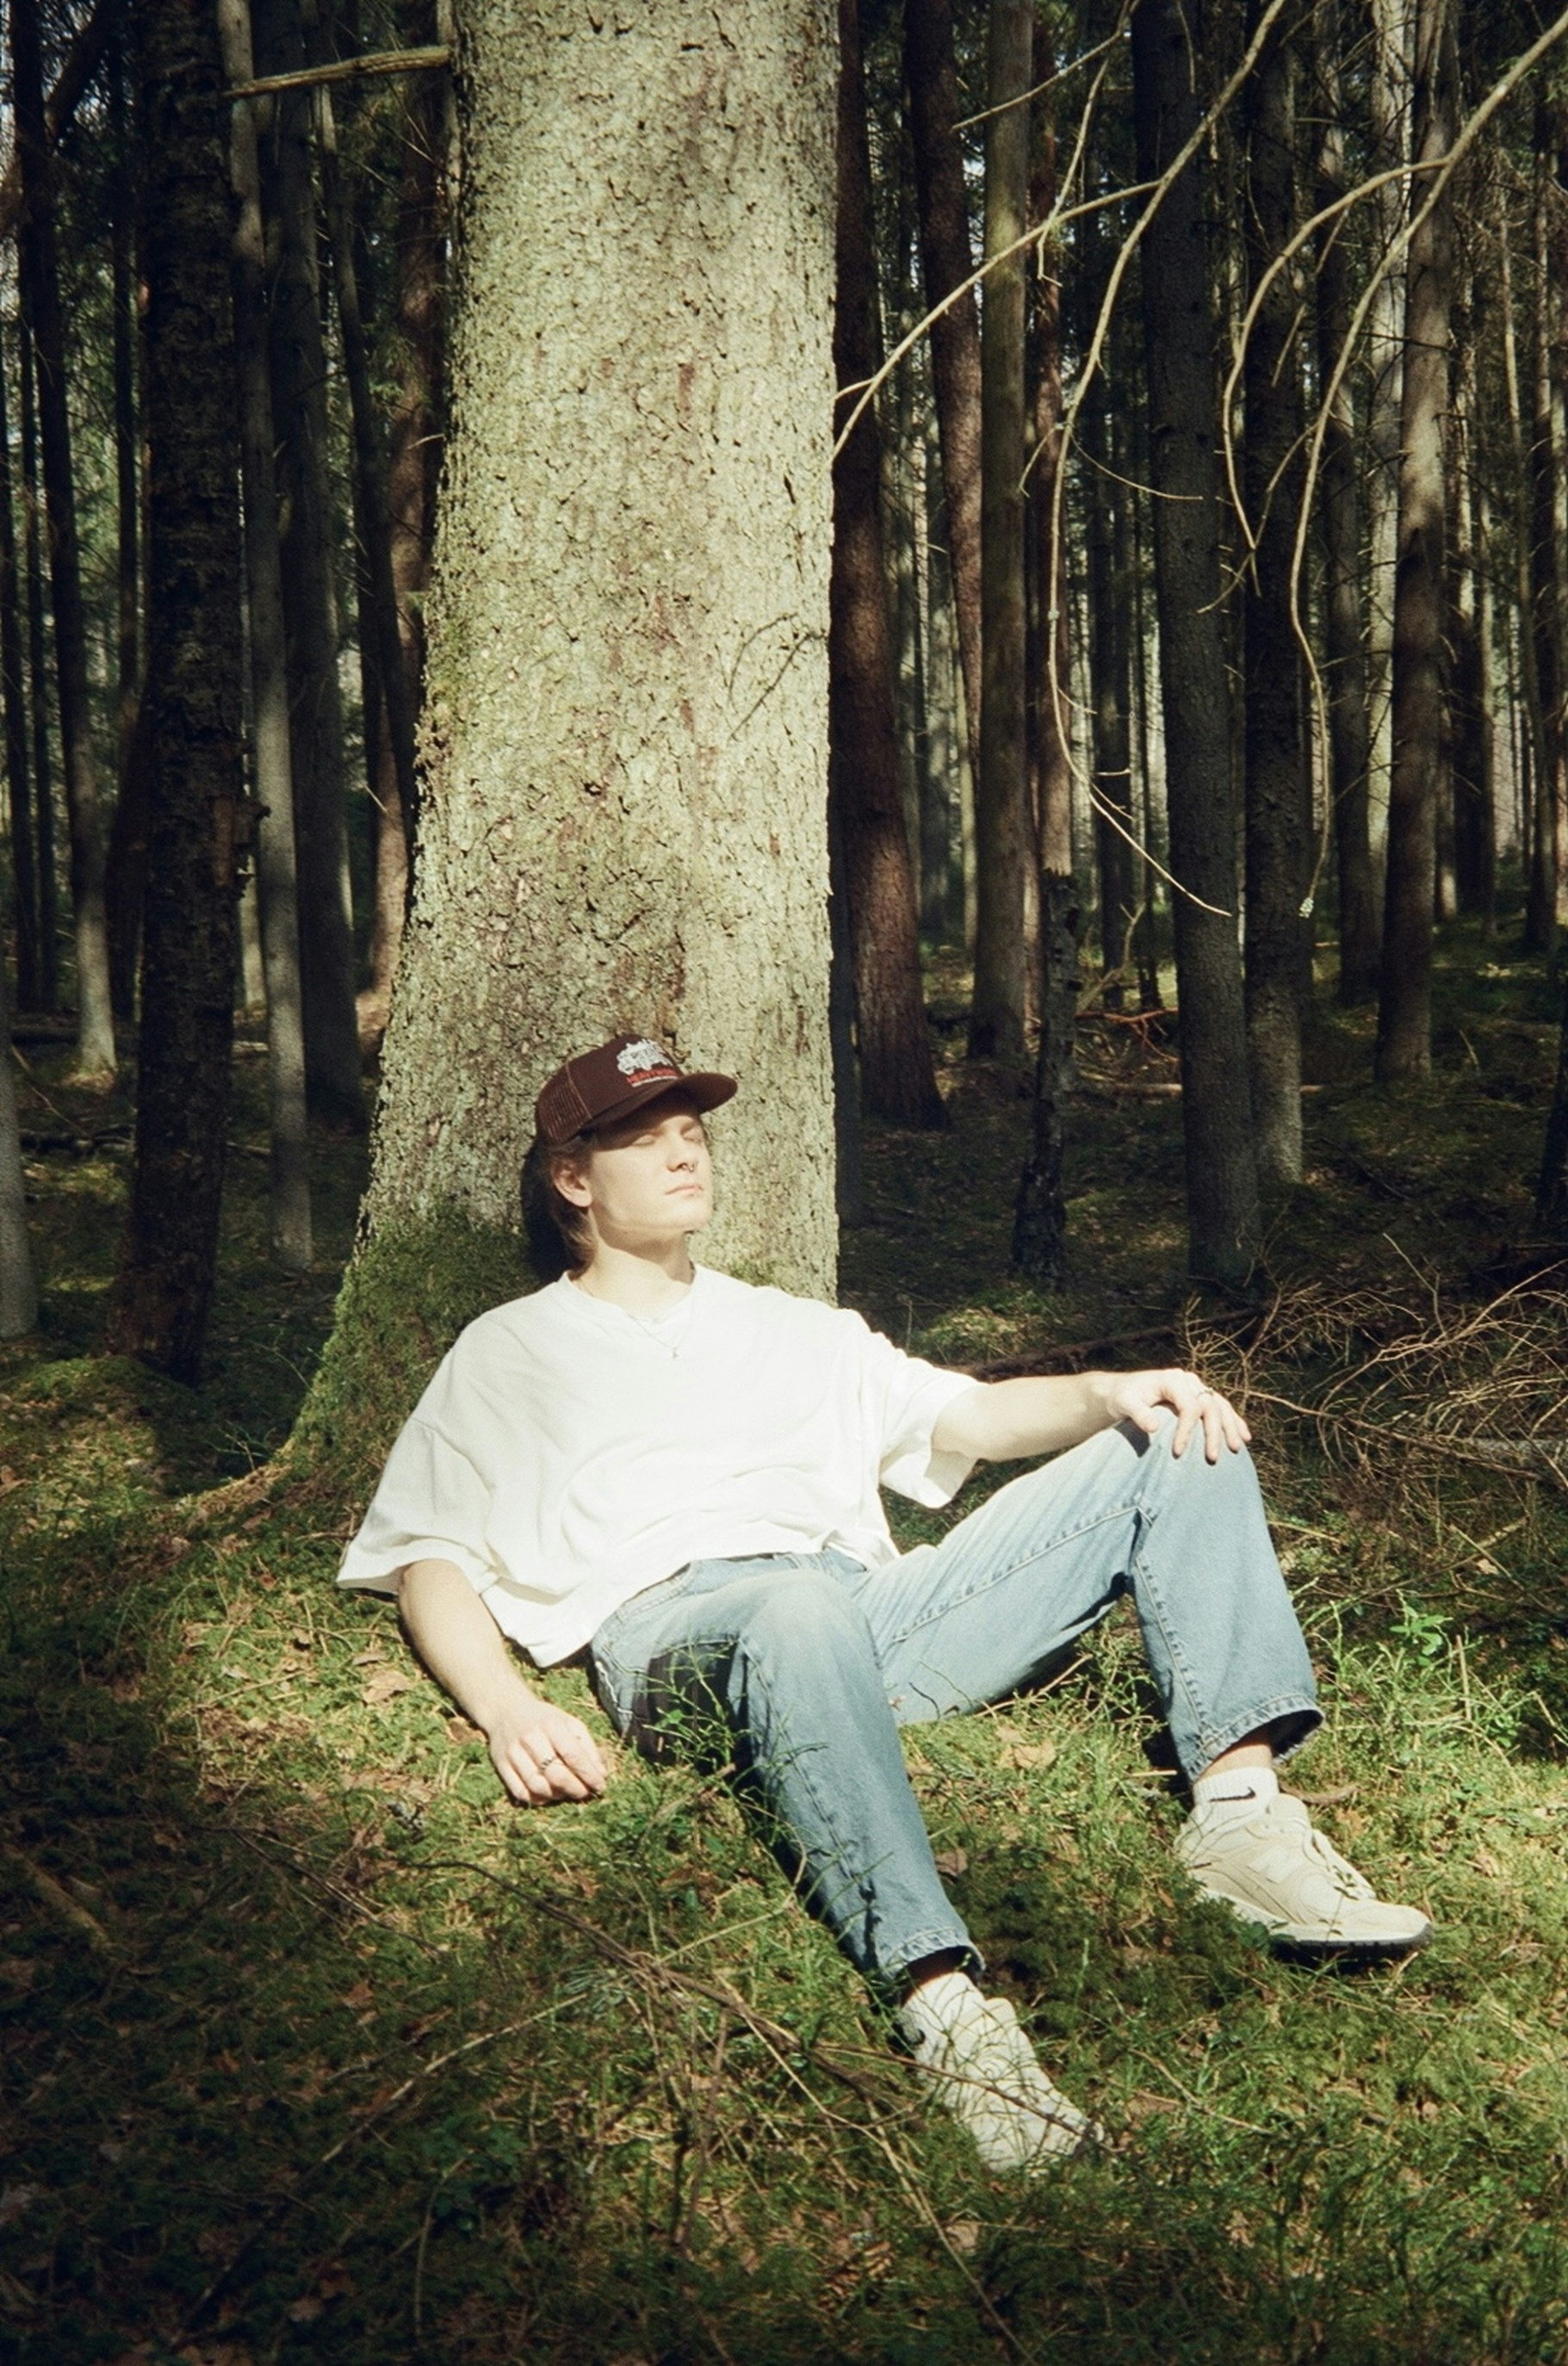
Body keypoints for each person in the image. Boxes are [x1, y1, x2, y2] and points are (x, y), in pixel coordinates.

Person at [339, 1032, 1432, 2173]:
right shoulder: (509, 1350)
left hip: (866, 1613)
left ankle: (1241, 1816)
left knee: (1176, 1437)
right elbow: (429, 1554)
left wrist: (1114, 1389)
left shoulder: (794, 1328)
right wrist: (509, 1711)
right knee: (791, 1611)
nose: (682, 1157)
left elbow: (966, 1420)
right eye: (642, 1140)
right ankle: (947, 2009)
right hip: (681, 1633)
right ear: (572, 1178)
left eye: (690, 1133)